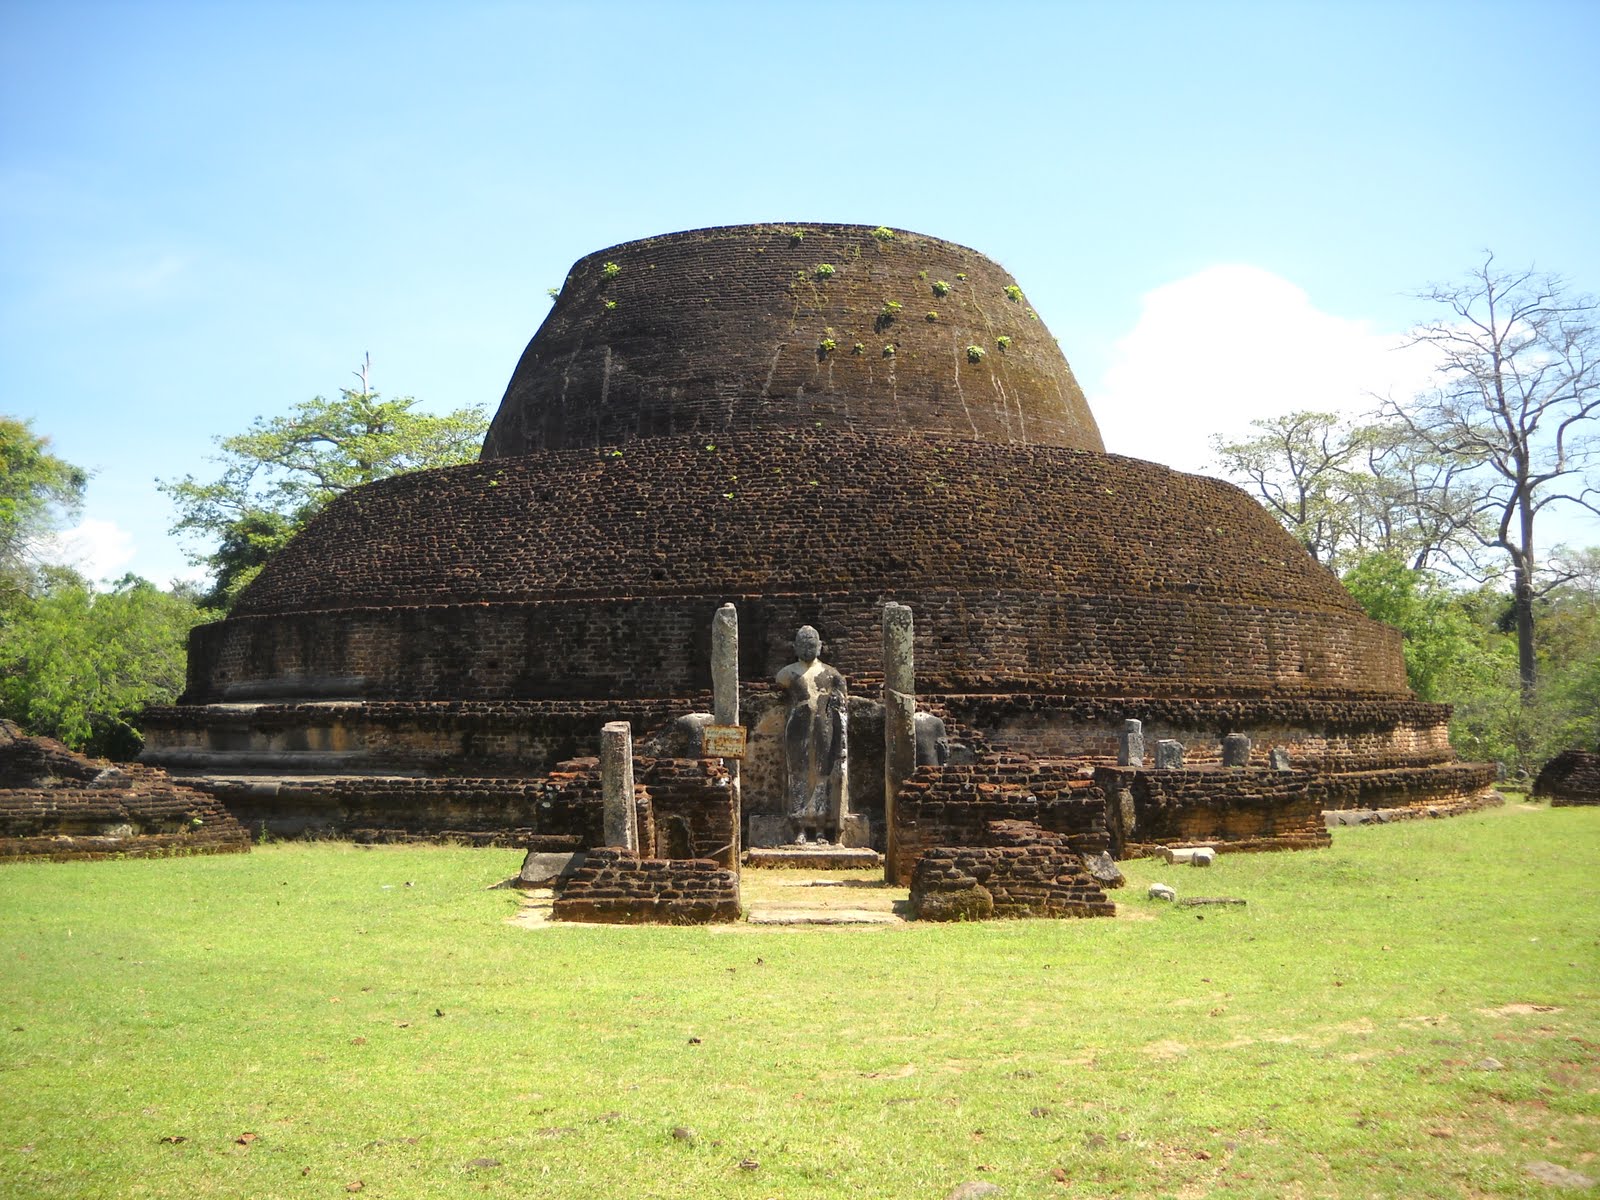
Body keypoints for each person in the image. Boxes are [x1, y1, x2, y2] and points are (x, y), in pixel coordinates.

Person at [774, 625, 847, 843]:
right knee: (798, 775)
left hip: (825, 727)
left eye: (812, 644)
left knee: (822, 775)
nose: (808, 648)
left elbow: (842, 707)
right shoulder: (788, 673)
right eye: (803, 645)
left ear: (820, 647)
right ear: (795, 647)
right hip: (798, 727)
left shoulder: (832, 674)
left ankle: (822, 827)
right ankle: (799, 828)